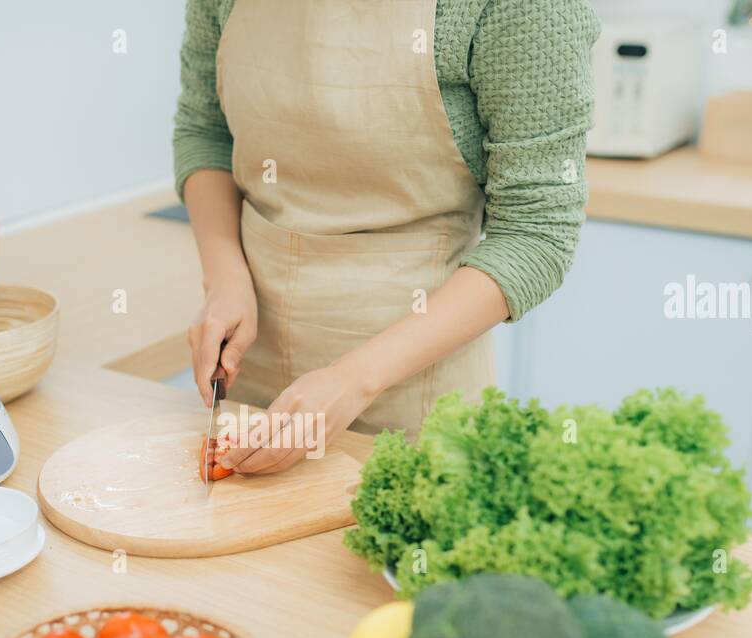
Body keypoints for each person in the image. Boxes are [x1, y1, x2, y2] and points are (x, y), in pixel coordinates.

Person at [174, 0, 599, 474]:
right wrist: (224, 275)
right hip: (249, 375)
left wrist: (353, 379)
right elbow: (204, 131)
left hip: (414, 394)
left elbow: (536, 231)